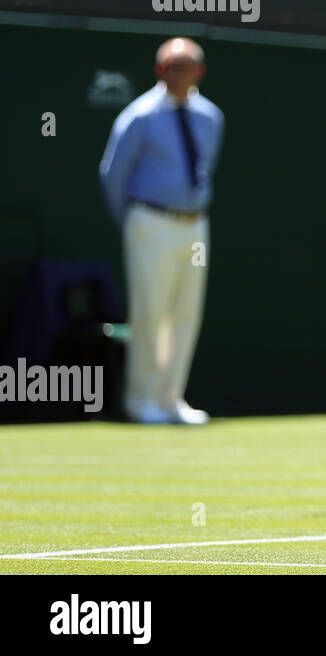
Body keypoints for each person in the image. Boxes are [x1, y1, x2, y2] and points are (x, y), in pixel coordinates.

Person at [98, 39, 224, 425]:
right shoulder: (139, 116)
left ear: (198, 72)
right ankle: (141, 400)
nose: (175, 73)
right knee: (150, 311)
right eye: (169, 66)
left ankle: (171, 399)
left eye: (183, 66)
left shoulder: (210, 116)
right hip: (149, 222)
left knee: (186, 311)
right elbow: (113, 174)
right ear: (159, 71)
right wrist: (136, 222)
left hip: (195, 224)